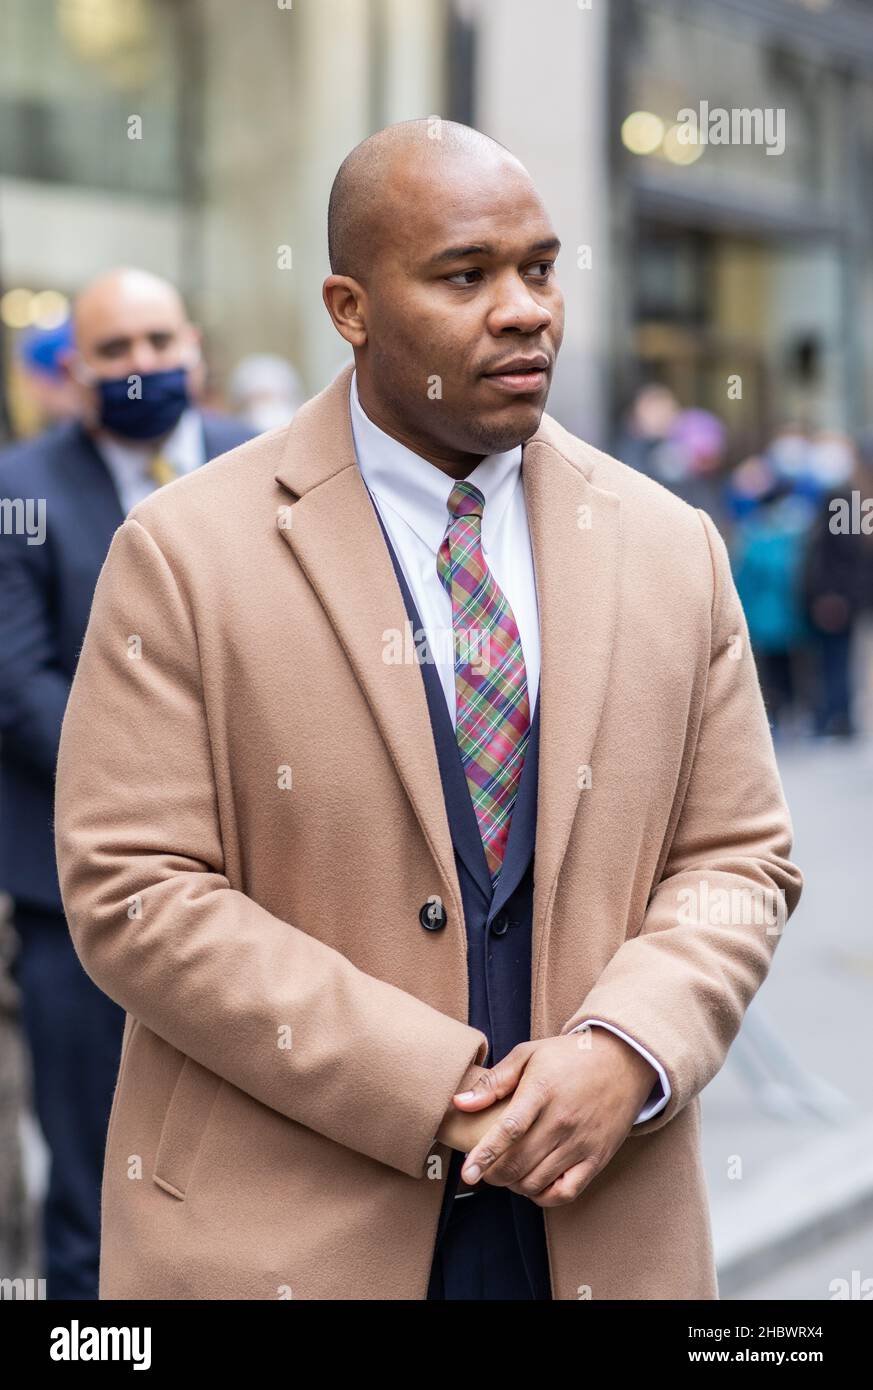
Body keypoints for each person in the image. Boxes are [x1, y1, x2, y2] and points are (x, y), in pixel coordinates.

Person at [53, 123, 802, 1301]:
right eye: (467, 275)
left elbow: (738, 856)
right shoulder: (184, 554)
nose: (524, 310)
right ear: (349, 307)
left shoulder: (672, 548)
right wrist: (433, 1087)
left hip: (600, 1233)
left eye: (542, 268)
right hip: (285, 1241)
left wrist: (631, 1048)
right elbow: (136, 890)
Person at [0, 267, 253, 1299]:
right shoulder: (23, 490)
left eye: (158, 342)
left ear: (193, 346)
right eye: (114, 350)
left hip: (261, 893)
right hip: (76, 898)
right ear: (74, 370)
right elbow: (18, 685)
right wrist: (171, 786)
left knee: (243, 1167)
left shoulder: (263, 462)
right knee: (94, 1173)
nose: (141, 365)